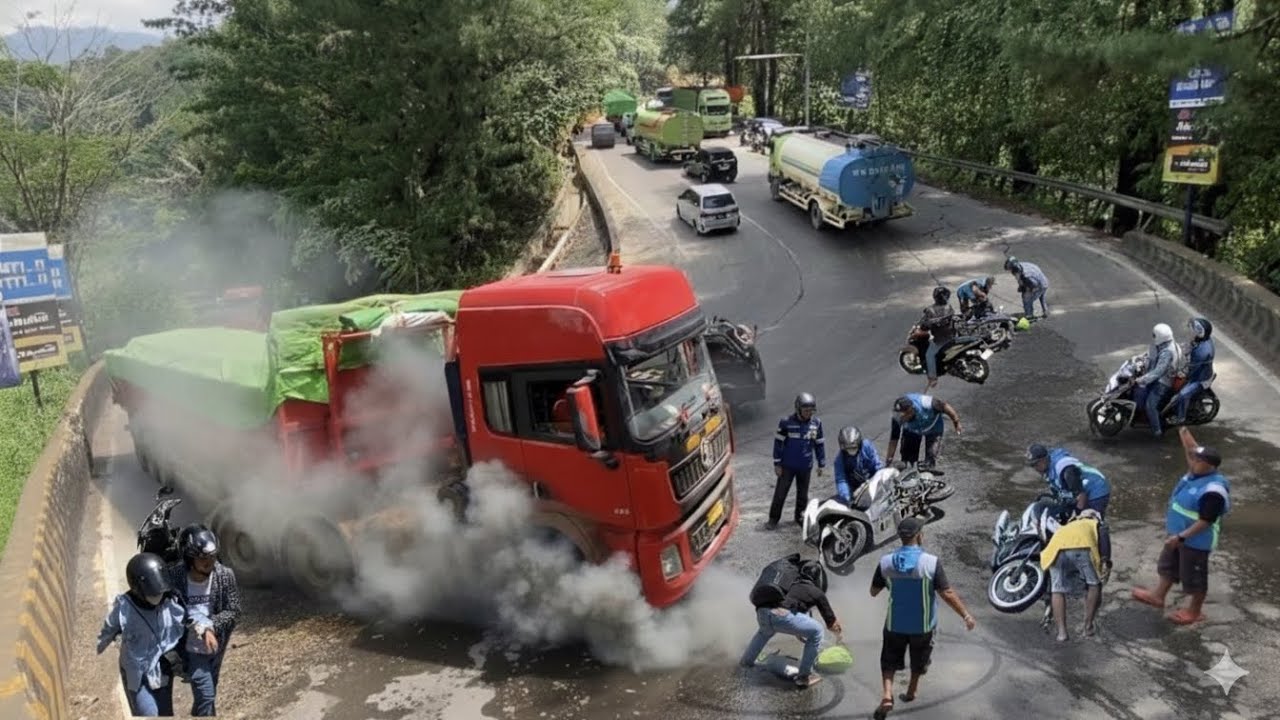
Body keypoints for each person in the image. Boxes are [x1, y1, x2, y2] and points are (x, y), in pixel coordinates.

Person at [870, 517, 975, 720]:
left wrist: (893, 584)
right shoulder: (931, 563)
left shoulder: (885, 563)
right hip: (923, 625)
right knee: (920, 659)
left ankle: (886, 695)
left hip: (895, 623)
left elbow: (873, 591)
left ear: (900, 537)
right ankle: (911, 691)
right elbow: (947, 593)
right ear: (919, 536)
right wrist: (966, 615)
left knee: (889, 660)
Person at [1131, 426, 1230, 625]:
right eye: (1193, 459)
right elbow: (1191, 449)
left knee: (1194, 577)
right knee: (1168, 566)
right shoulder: (1196, 473)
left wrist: (1181, 537)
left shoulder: (1213, 490)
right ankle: (1158, 596)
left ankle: (1195, 611)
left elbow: (1205, 521)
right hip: (1177, 536)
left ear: (1210, 466)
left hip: (1195, 541)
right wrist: (1184, 432)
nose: (1192, 462)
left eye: (1198, 461)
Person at [97, 552, 187, 717]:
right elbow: (109, 629)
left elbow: (184, 626)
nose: (158, 597)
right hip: (136, 671)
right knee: (149, 713)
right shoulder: (125, 607)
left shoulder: (171, 601)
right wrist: (104, 643)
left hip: (162, 668)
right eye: (153, 594)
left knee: (165, 713)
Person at [166, 524, 242, 716]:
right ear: (190, 558)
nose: (209, 562)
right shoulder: (174, 577)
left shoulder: (225, 576)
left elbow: (234, 611)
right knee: (207, 695)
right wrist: (201, 627)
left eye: (212, 556)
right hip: (191, 649)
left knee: (208, 692)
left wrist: (211, 625)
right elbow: (170, 610)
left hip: (215, 647)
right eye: (202, 558)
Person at [741, 559, 842, 688]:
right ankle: (803, 677)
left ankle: (746, 662)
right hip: (781, 616)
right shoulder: (817, 593)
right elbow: (832, 624)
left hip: (763, 612)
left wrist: (800, 631)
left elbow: (796, 614)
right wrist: (839, 638)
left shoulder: (789, 584)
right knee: (817, 631)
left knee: (764, 632)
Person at [1039, 509, 1112, 642]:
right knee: (1094, 584)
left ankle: (1062, 633)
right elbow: (1104, 544)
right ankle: (1088, 627)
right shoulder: (1097, 523)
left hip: (1055, 548)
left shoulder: (1069, 524)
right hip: (1081, 545)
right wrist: (1106, 562)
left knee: (1057, 589)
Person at [769, 393, 826, 529]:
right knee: (780, 493)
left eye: (811, 411)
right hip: (787, 466)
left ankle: (799, 517)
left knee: (802, 495)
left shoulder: (816, 424)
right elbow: (778, 443)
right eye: (806, 410)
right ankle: (773, 519)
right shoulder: (786, 423)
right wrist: (777, 463)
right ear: (798, 409)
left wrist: (821, 463)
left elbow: (819, 444)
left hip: (805, 466)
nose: (808, 414)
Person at [1024, 444, 1112, 517]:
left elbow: (1081, 494)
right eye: (1032, 465)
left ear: (1043, 459)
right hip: (1081, 491)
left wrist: (1077, 514)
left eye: (1036, 464)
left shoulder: (1065, 470)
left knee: (1090, 522)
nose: (1035, 468)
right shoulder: (1047, 468)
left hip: (1096, 488)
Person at [885, 394, 962, 470]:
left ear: (911, 410)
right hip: (912, 430)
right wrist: (888, 461)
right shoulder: (897, 418)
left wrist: (956, 421)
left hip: (933, 427)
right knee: (908, 460)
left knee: (930, 459)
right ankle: (910, 474)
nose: (901, 418)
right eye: (899, 415)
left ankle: (928, 473)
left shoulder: (926, 403)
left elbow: (944, 406)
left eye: (903, 416)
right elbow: (893, 440)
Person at [1132, 322, 1181, 438]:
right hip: (1161, 376)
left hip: (1163, 383)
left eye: (1154, 335)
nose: (1153, 337)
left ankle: (1157, 431)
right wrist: (1140, 358)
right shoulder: (1166, 344)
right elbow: (1152, 354)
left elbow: (1158, 372)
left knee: (1150, 405)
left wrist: (1143, 379)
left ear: (1160, 337)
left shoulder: (1167, 352)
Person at [1172, 317, 1216, 425]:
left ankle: (1180, 418)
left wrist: (1181, 373)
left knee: (1182, 395)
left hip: (1200, 378)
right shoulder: (1200, 339)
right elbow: (1188, 347)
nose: (1191, 331)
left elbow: (1192, 369)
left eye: (1193, 329)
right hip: (1197, 369)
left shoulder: (1203, 351)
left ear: (1199, 332)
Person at [919, 286, 959, 388]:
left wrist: (925, 325)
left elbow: (924, 325)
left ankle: (933, 378)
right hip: (952, 337)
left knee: (929, 355)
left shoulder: (930, 310)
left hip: (939, 341)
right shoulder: (948, 307)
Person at [834, 425, 882, 503]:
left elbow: (877, 466)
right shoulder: (839, 460)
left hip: (871, 481)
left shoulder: (867, 447)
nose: (851, 451)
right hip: (854, 490)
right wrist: (847, 497)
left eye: (853, 448)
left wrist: (878, 482)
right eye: (848, 449)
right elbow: (841, 480)